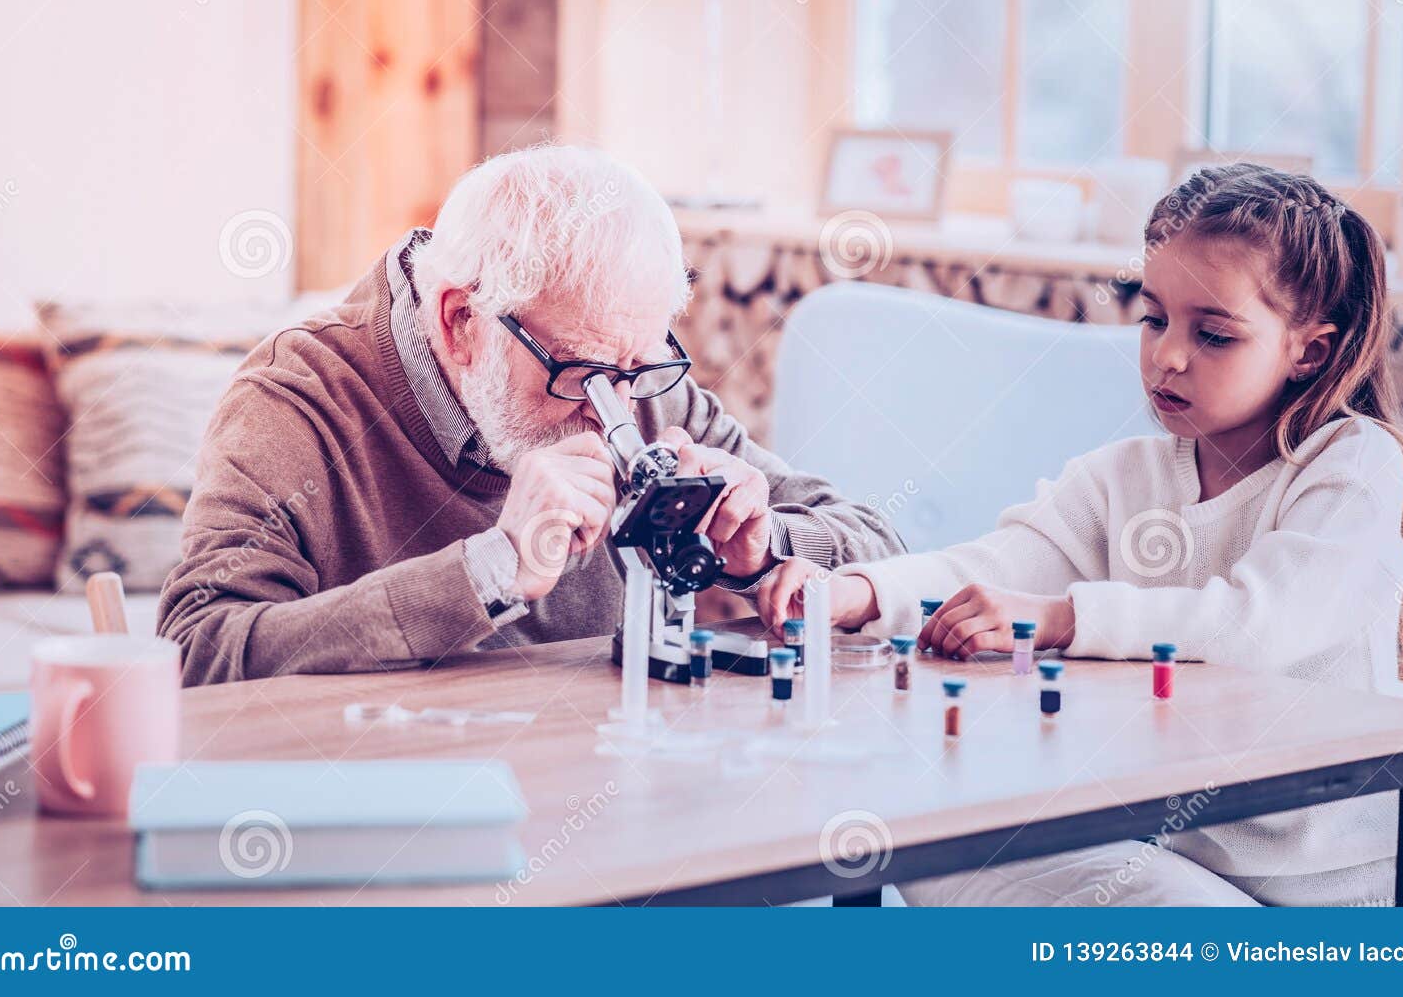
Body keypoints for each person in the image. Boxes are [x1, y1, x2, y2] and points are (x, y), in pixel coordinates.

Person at [759, 163, 1403, 907]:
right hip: (1169, 861)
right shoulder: (1122, 477)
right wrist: (855, 591)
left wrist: (1061, 617)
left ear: (1308, 351)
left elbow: (1259, 625)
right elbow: (992, 566)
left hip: (1336, 902)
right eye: (1154, 320)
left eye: (1214, 335)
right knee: (922, 845)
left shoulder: (1354, 464)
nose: (1168, 356)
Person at [159, 145, 904, 685]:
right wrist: (489, 568)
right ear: (460, 321)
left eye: (636, 368)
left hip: (602, 803)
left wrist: (765, 543)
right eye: (579, 373)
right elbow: (200, 653)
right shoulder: (294, 402)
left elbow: (884, 544)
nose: (612, 413)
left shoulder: (635, 383)